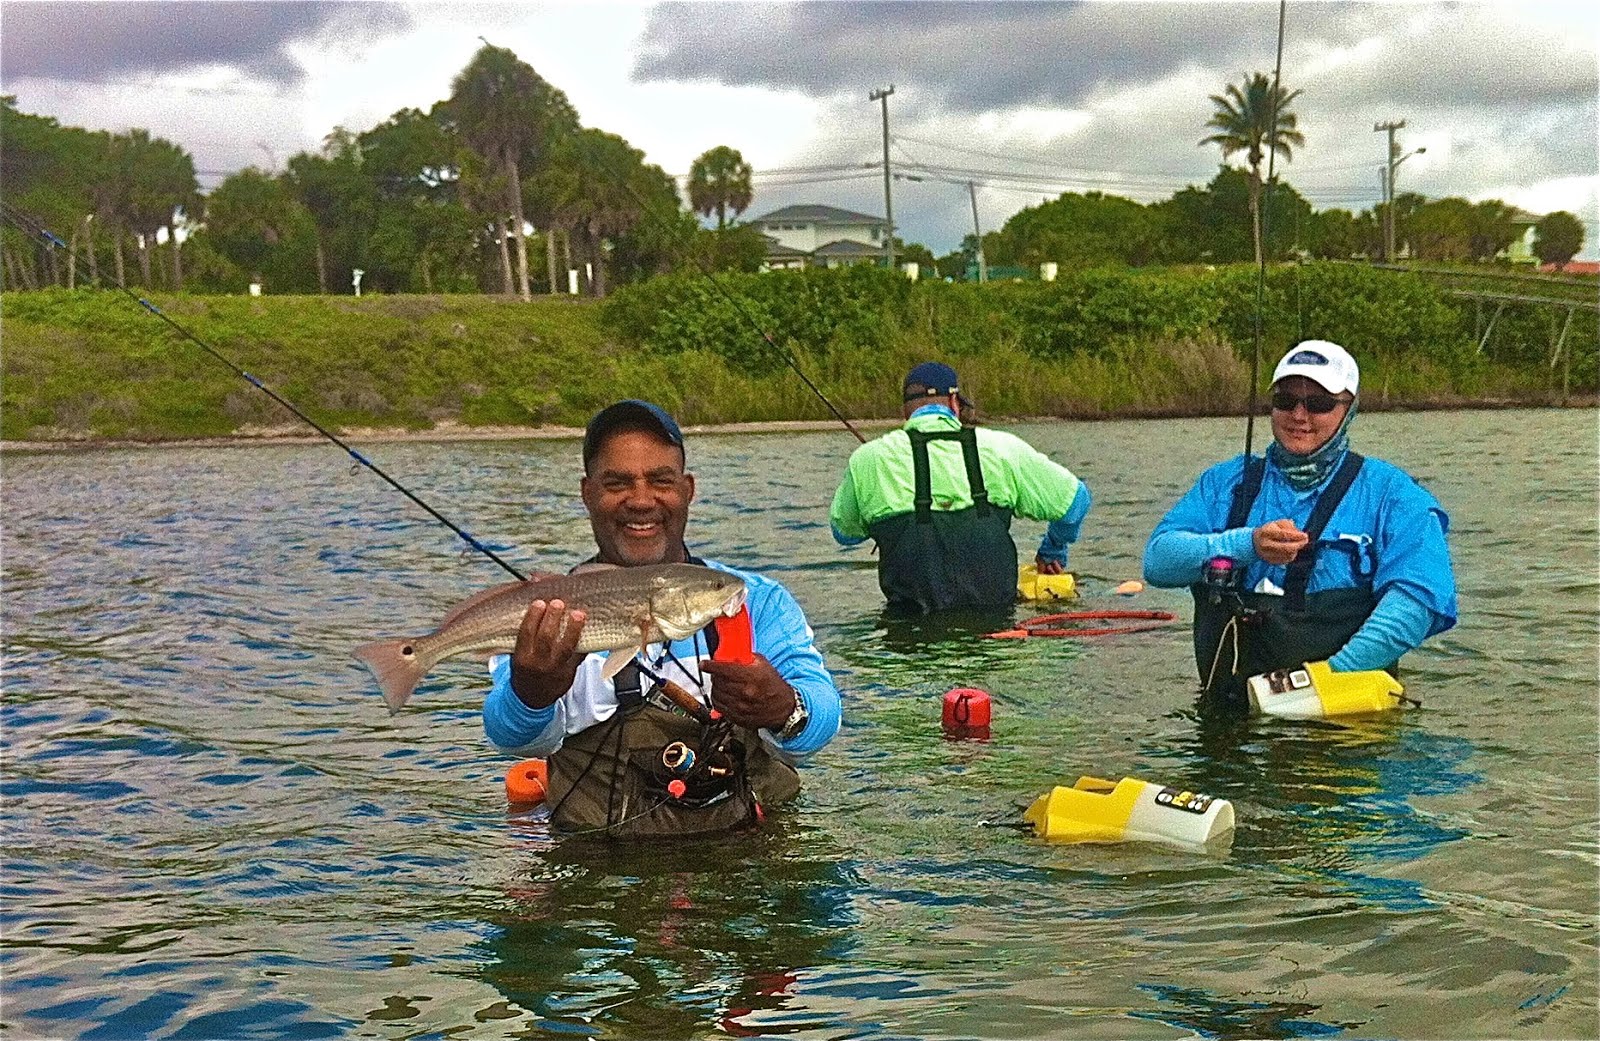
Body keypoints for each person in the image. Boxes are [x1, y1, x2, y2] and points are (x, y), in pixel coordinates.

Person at [482, 400, 841, 837]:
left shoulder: (754, 599)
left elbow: (822, 719)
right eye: (617, 483)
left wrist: (785, 708)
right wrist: (530, 693)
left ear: (687, 490)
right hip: (599, 860)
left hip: (746, 847)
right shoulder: (550, 611)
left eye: (660, 480)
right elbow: (512, 738)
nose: (640, 500)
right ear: (587, 493)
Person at [1143, 340, 1458, 706]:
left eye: (1319, 403)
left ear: (1349, 410)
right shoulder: (1224, 482)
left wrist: (1321, 682)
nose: (1299, 414)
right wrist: (1246, 545)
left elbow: (1418, 601)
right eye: (1285, 400)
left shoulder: (1394, 494)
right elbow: (1158, 561)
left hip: (1343, 718)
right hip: (1226, 715)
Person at [829, 361, 1091, 612]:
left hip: (908, 637)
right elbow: (1076, 501)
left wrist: (879, 506)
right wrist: (1052, 550)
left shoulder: (868, 458)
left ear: (905, 412)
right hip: (997, 637)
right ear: (955, 403)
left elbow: (844, 533)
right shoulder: (1003, 448)